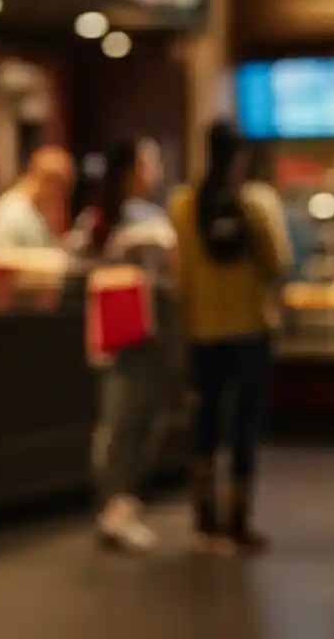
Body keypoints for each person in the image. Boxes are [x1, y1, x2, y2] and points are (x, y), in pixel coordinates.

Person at [170, 122, 292, 553]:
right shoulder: (253, 204)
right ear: (240, 157)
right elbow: (279, 260)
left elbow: (180, 274)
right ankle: (238, 523)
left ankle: (204, 522)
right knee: (243, 427)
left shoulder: (183, 205)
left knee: (204, 426)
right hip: (249, 330)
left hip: (202, 330)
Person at [87, 141, 179, 552]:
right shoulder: (143, 220)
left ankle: (119, 504)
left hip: (119, 332)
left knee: (124, 420)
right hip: (139, 333)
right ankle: (116, 506)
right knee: (127, 420)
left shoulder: (101, 219)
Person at [0, 145, 74, 248]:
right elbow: (1, 257)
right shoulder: (14, 211)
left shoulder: (36, 209)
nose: (62, 194)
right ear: (46, 181)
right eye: (60, 185)